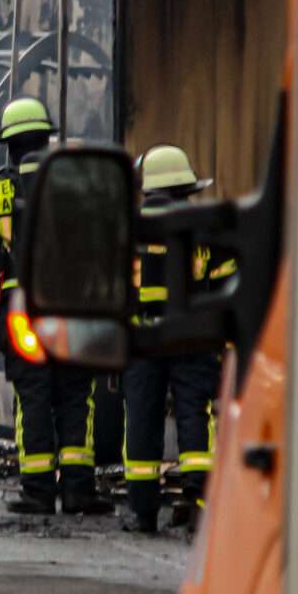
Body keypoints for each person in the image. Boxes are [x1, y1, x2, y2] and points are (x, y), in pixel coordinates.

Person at [0, 97, 101, 516]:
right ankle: (79, 492)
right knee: (76, 396)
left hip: (21, 312)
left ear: (8, 145)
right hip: (72, 309)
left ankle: (38, 492)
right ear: (46, 138)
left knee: (34, 397)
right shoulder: (78, 184)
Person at [121, 145, 235, 534]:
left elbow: (111, 290)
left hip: (142, 341)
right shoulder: (205, 229)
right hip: (194, 338)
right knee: (193, 416)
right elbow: (227, 287)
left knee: (142, 420)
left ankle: (143, 513)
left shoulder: (129, 229)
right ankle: (196, 501)